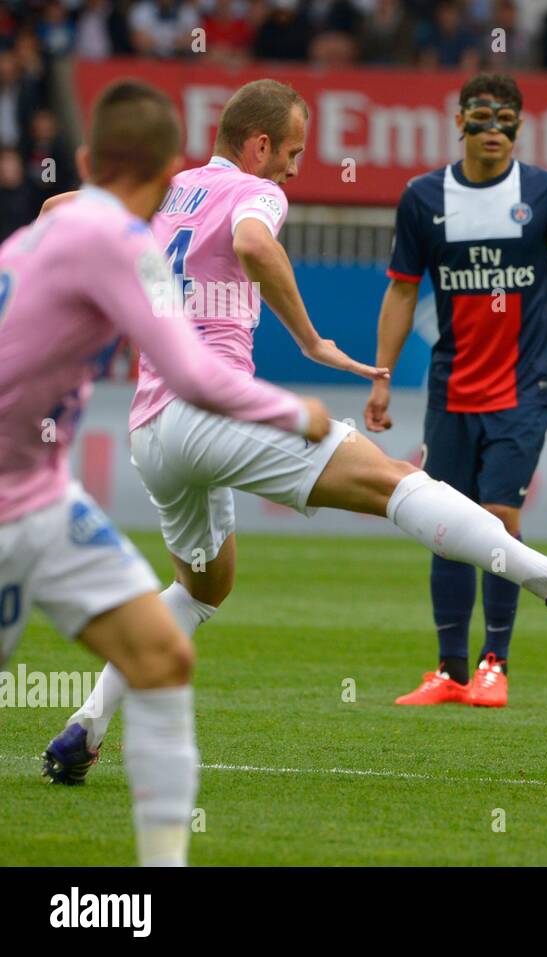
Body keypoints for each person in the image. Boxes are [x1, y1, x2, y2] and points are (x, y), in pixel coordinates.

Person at [47, 78, 547, 780]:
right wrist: (310, 340)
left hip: (153, 430)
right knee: (396, 479)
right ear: (259, 144)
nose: (295, 168)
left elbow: (59, 207)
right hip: (210, 405)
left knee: (204, 588)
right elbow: (255, 246)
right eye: (292, 151)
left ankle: (84, 727)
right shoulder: (253, 193)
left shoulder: (172, 188)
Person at [2, 79, 330, 863]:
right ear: (164, 174)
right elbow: (192, 371)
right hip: (18, 503)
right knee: (170, 643)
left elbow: (58, 212)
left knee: (163, 650)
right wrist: (299, 413)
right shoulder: (119, 243)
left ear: (85, 160)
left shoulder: (36, 238)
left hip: (41, 500)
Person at [365, 73, 547, 708]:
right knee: (444, 523)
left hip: (526, 388)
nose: (493, 130)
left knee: (498, 516)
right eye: (482, 117)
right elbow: (401, 289)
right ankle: (449, 670)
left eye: (506, 119)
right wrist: (383, 375)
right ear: (459, 121)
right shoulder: (422, 199)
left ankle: (493, 664)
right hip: (451, 389)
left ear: (520, 128)